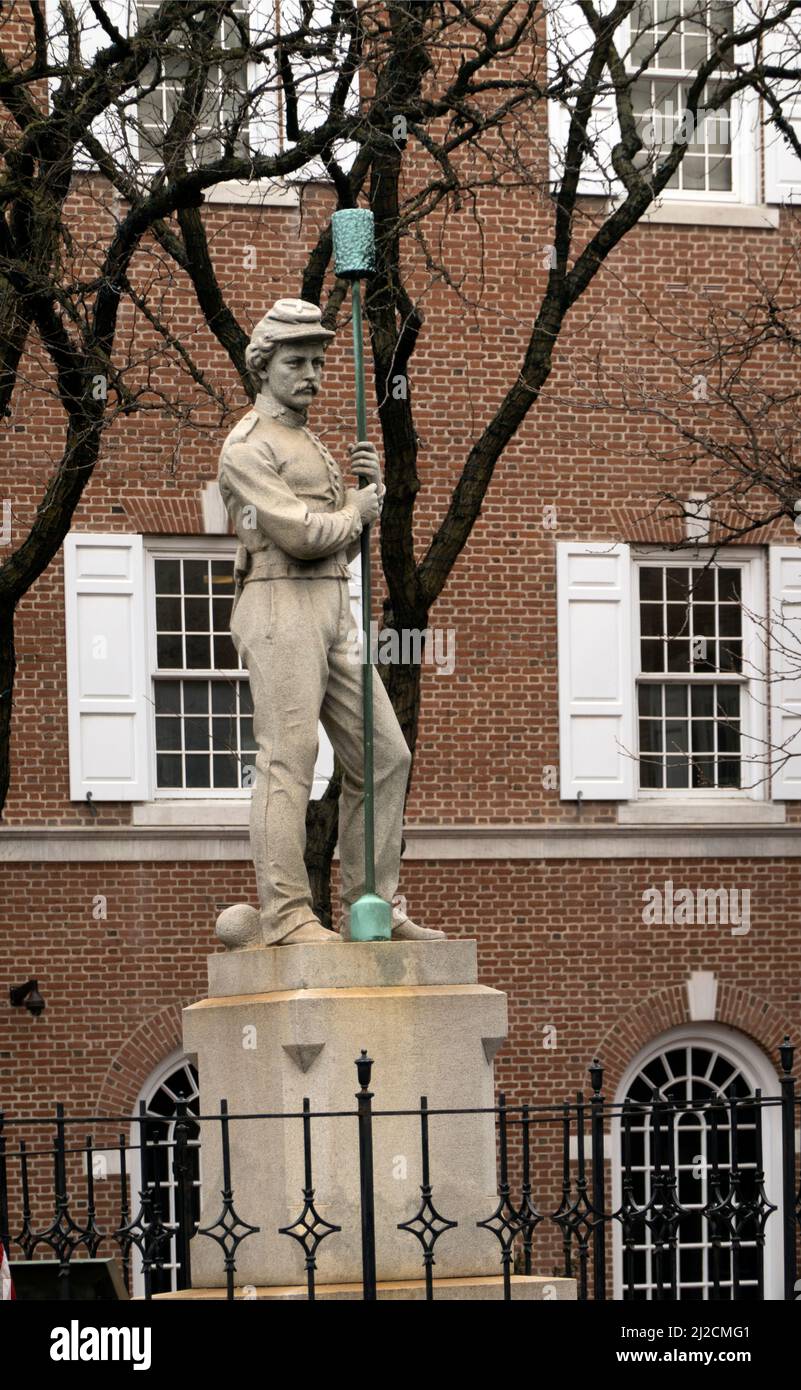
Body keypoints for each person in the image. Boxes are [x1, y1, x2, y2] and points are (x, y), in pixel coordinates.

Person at [217, 298, 445, 946]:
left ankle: (372, 908)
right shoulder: (248, 446)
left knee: (383, 753)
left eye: (319, 361)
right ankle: (286, 915)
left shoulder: (310, 441)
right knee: (289, 758)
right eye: (297, 362)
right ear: (264, 366)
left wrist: (358, 499)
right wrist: (358, 510)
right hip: (278, 603)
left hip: (329, 602)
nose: (312, 374)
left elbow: (336, 541)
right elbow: (301, 534)